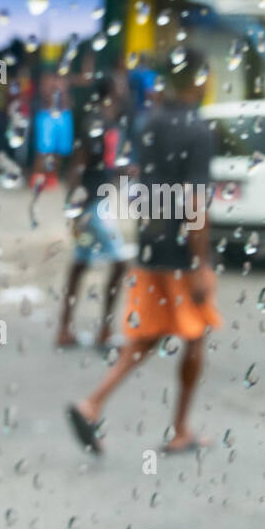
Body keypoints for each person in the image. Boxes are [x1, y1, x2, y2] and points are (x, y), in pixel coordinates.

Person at [65, 48, 220, 455]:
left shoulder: (148, 122)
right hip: (183, 252)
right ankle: (180, 429)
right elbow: (193, 201)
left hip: (151, 245)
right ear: (199, 80)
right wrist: (201, 264)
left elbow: (141, 184)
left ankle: (91, 405)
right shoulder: (198, 130)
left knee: (148, 337)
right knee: (195, 336)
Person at [56, 75, 132, 349]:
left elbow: (107, 164)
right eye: (120, 84)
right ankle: (104, 331)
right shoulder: (95, 124)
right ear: (110, 91)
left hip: (98, 201)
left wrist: (126, 172)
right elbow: (78, 165)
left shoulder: (110, 123)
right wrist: (73, 210)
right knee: (120, 262)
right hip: (92, 206)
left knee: (80, 264)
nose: (125, 88)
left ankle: (65, 329)